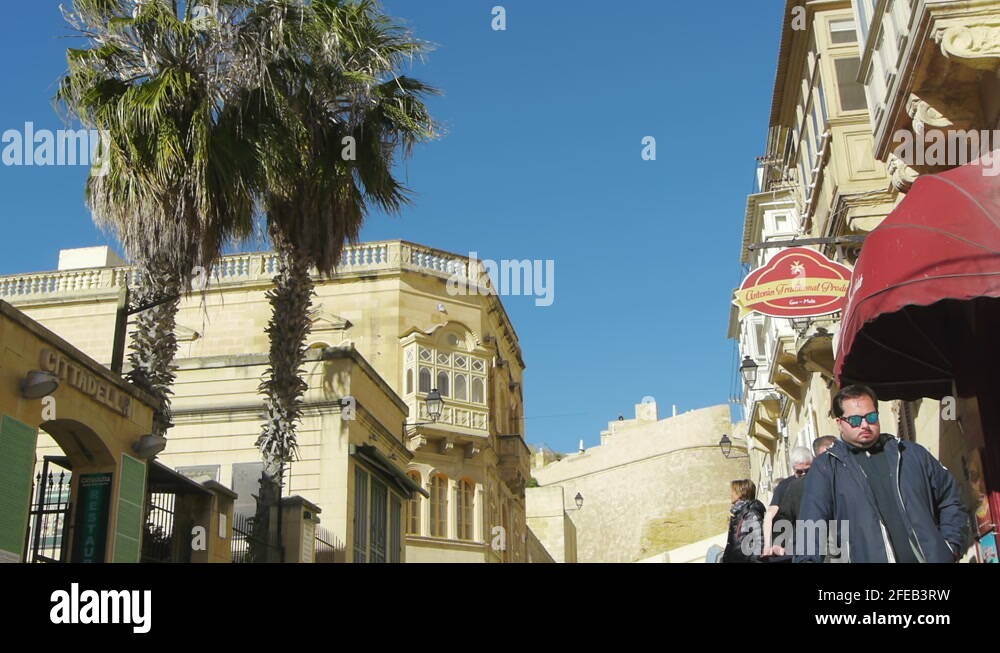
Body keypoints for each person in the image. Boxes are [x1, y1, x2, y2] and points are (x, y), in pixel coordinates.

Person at [795, 385, 970, 563]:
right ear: (840, 423)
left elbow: (950, 497)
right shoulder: (826, 467)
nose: (865, 425)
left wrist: (950, 546)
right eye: (855, 420)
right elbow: (812, 522)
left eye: (871, 417)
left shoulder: (911, 454)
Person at [763, 447, 813, 555]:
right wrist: (769, 544)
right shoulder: (785, 485)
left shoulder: (820, 481)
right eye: (799, 471)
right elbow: (770, 514)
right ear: (793, 468)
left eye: (807, 470)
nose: (804, 474)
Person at [722, 479, 766, 563]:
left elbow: (758, 544)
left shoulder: (750, 514)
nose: (730, 494)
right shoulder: (739, 514)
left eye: (733, 491)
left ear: (740, 493)